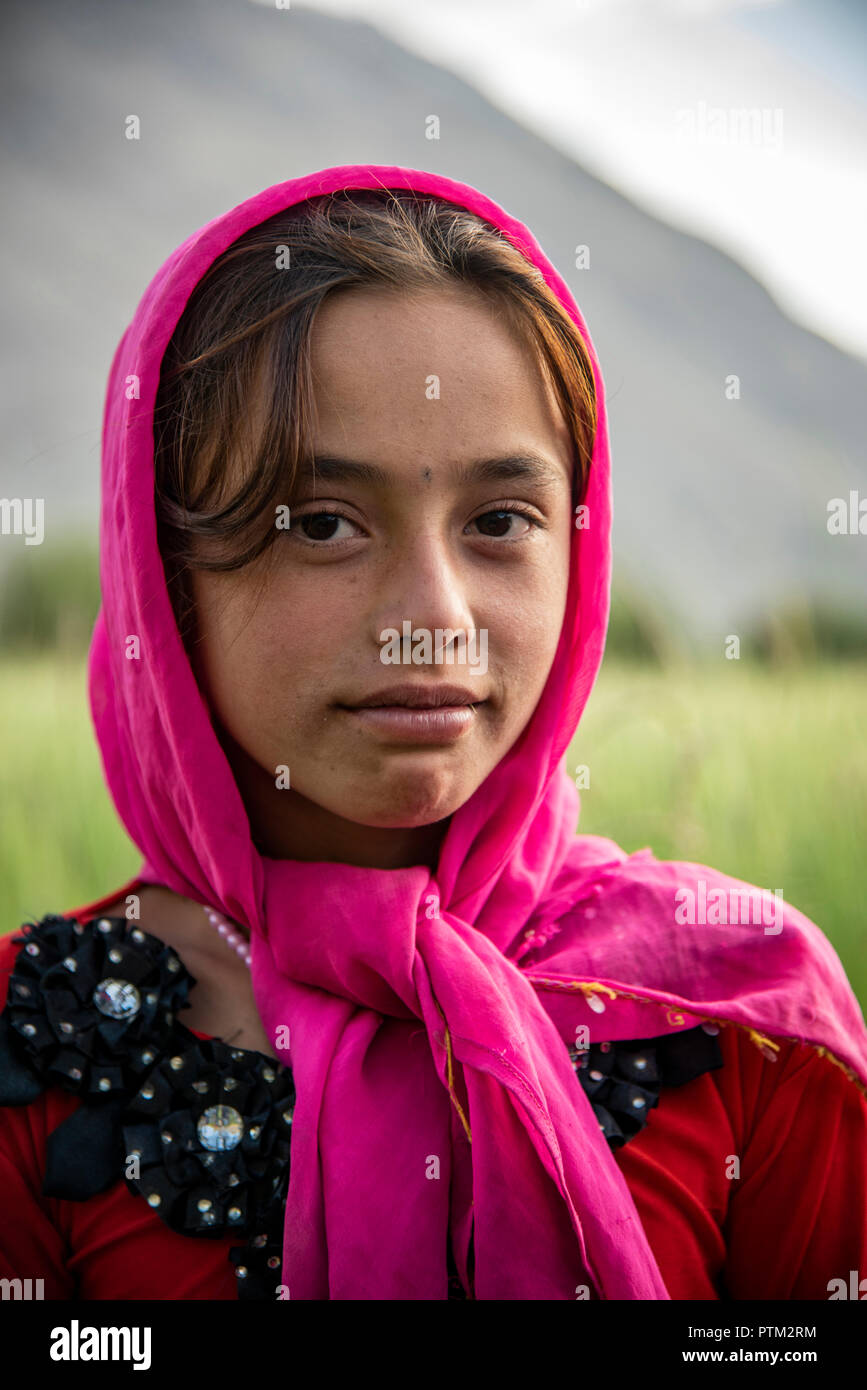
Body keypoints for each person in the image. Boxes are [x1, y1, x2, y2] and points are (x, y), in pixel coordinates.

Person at [1, 164, 865, 1302]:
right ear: (167, 578)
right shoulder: (39, 1044)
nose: (434, 619)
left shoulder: (747, 1014)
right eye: (320, 523)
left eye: (502, 520)